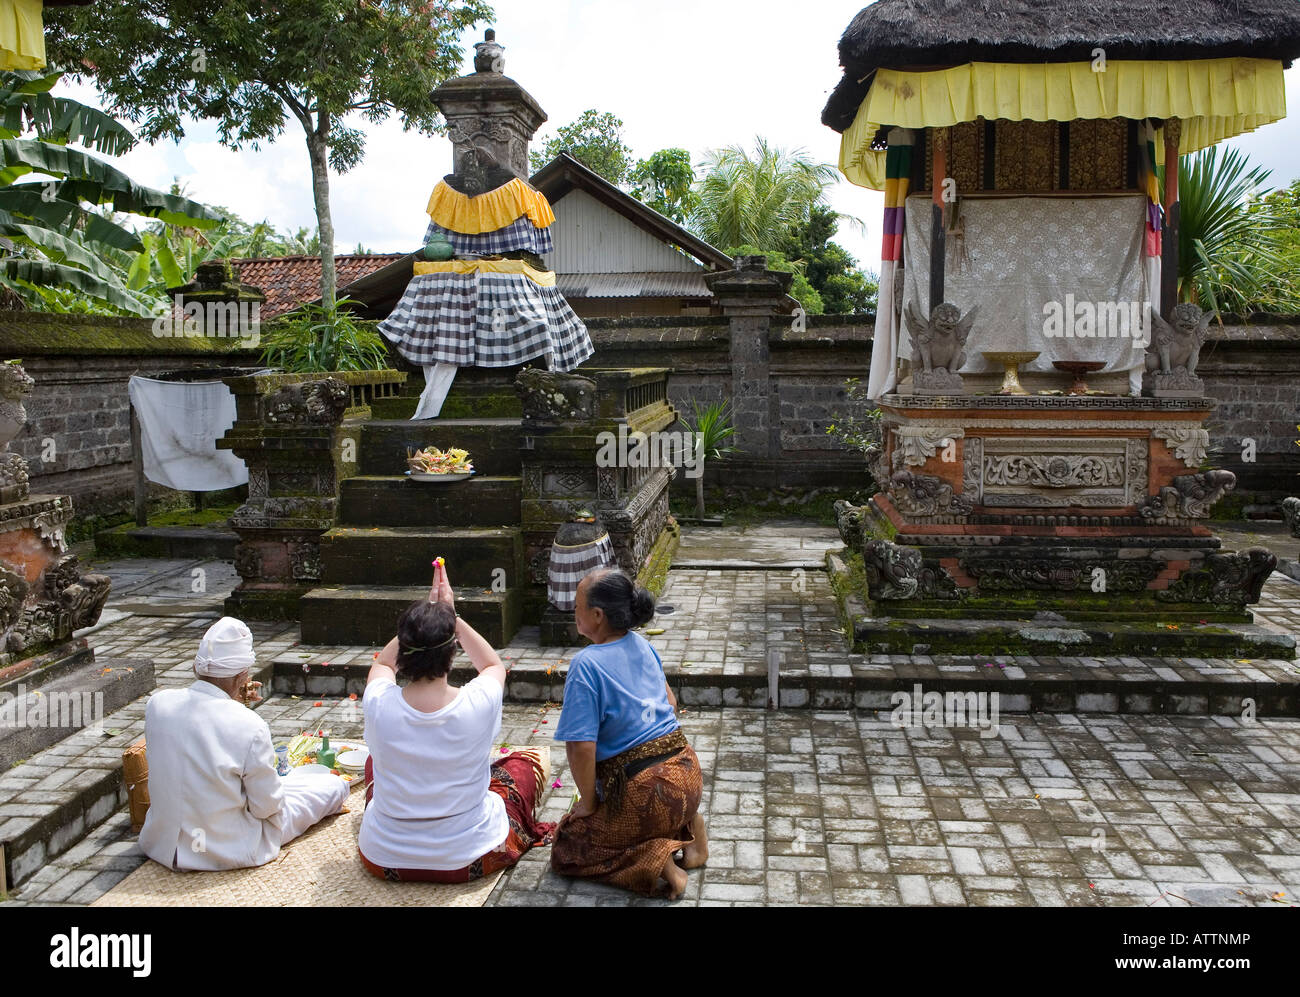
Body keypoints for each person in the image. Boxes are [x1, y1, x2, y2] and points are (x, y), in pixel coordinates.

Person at [358, 559, 555, 881]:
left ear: (404, 653)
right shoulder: (476, 702)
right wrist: (451, 615)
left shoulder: (379, 703)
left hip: (385, 858)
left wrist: (424, 619)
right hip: (470, 856)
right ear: (453, 651)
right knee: (519, 767)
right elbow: (494, 666)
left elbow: (381, 665)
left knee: (373, 764)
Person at [138, 617, 349, 871]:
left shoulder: (158, 704)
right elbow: (266, 807)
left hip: (162, 844)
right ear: (242, 676)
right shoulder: (249, 724)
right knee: (330, 784)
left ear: (196, 668)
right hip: (226, 848)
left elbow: (202, 735)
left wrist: (234, 703)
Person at [550, 568, 708, 898]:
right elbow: (671, 703)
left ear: (596, 615)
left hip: (647, 795)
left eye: (577, 605)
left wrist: (590, 804)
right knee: (637, 810)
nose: (573, 611)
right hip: (688, 775)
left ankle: (660, 862)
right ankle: (689, 828)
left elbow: (580, 747)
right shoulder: (643, 645)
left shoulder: (586, 664)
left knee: (569, 845)